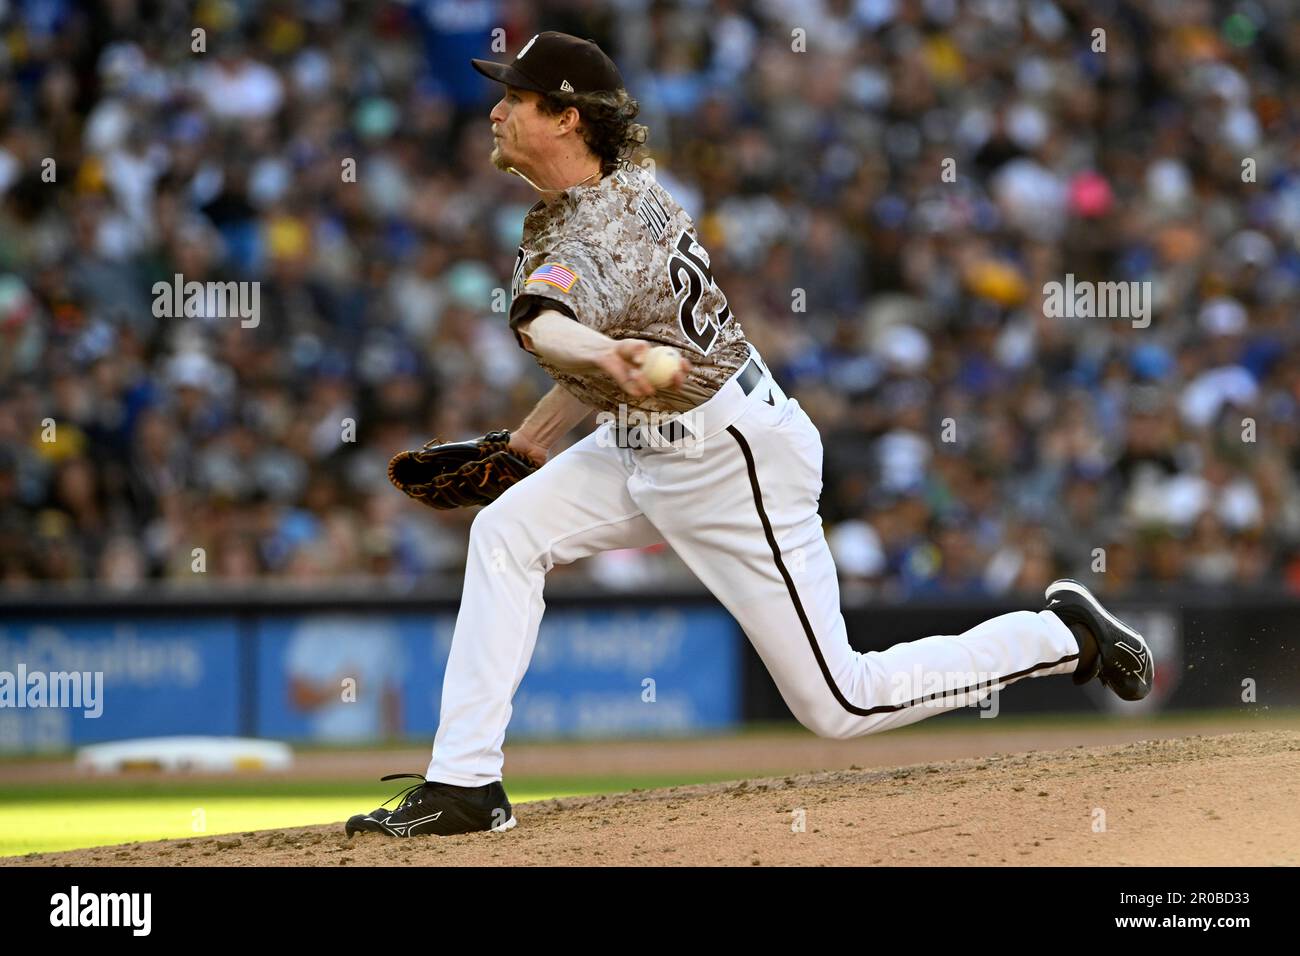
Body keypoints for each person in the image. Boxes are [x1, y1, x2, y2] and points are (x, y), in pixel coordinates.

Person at [346, 32, 1153, 839]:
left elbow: (554, 328)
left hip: (729, 458)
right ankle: (465, 784)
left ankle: (1061, 637)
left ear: (565, 118)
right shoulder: (616, 192)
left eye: (515, 99)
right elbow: (603, 342)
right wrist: (532, 441)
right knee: (507, 531)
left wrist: (601, 354)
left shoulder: (603, 229)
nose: (493, 111)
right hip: (650, 429)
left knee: (841, 701)